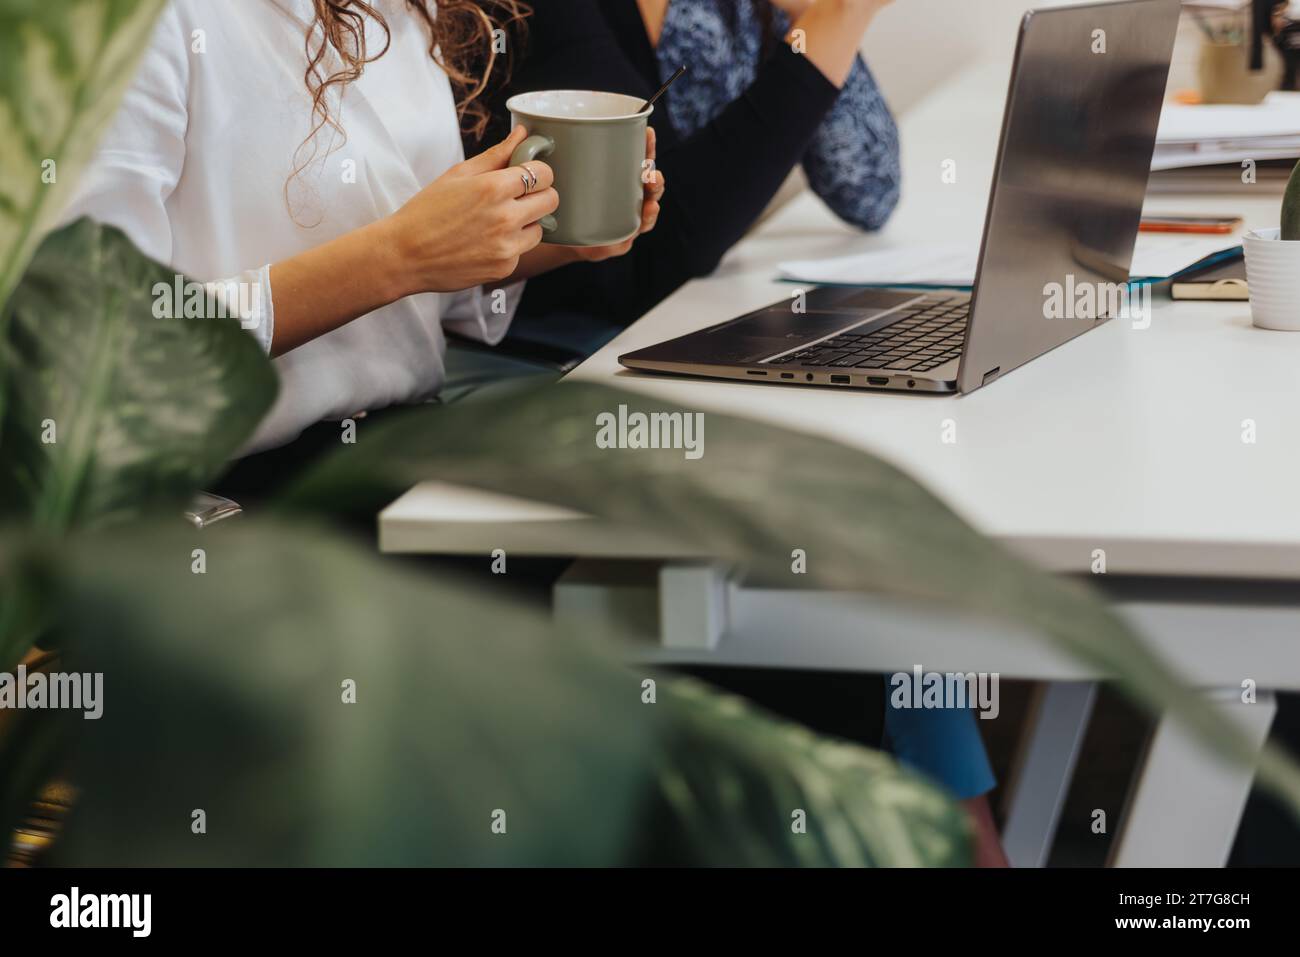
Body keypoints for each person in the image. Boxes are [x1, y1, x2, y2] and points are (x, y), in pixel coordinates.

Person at [57, 0, 664, 457]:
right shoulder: (131, 24)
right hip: (223, 484)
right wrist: (396, 255)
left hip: (398, 440)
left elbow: (423, 291)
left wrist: (570, 231)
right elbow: (97, 351)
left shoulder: (399, 10)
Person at [476, 0, 899, 334]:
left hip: (695, 317)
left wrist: (814, 16)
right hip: (566, 344)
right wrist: (843, 11)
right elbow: (659, 241)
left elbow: (869, 191)